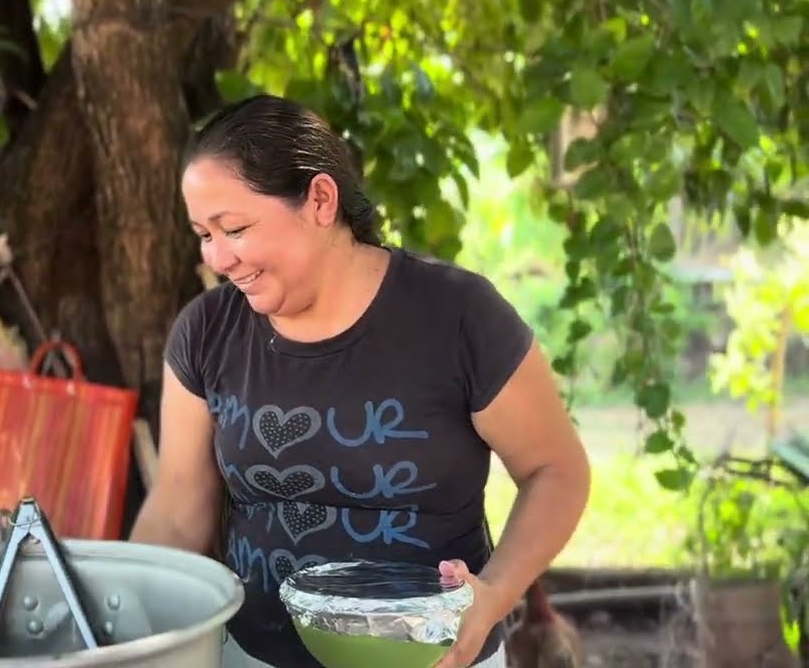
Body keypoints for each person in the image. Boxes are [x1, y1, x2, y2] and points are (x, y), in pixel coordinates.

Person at [129, 94, 591, 668]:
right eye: (204, 234)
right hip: (254, 657)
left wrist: (493, 595)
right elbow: (176, 509)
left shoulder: (459, 318)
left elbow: (557, 472)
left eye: (236, 228)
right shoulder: (207, 331)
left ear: (320, 199)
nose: (218, 257)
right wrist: (120, 619)